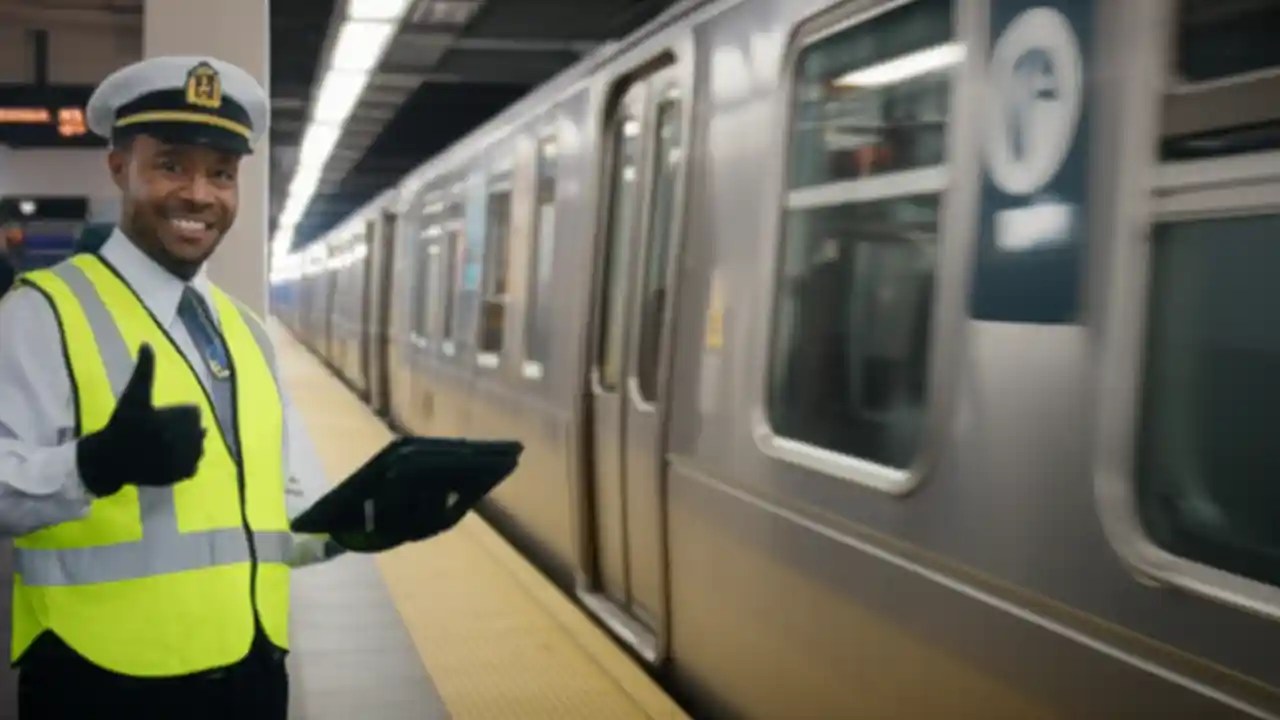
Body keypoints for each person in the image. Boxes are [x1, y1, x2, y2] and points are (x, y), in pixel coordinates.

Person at [0, 55, 416, 719]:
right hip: (102, 680)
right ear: (120, 168)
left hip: (251, 673)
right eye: (172, 165)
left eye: (221, 174)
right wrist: (92, 464)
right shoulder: (42, 311)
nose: (200, 194)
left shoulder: (245, 331)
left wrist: (349, 527)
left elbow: (255, 519)